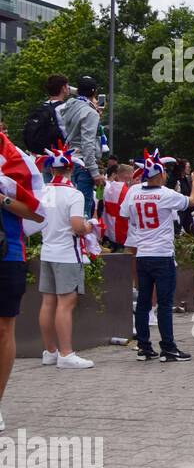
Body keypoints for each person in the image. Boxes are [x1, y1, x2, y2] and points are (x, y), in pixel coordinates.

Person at [123, 150, 194, 362]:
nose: (166, 174)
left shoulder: (133, 192)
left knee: (144, 302)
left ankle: (144, 346)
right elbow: (192, 201)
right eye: (164, 171)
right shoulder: (166, 194)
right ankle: (168, 347)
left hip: (142, 254)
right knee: (165, 303)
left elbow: (124, 214)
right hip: (162, 254)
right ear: (158, 174)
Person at [37, 143, 96, 370]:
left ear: (52, 170)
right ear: (70, 170)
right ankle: (66, 353)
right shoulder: (74, 194)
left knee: (48, 302)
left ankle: (50, 351)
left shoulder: (43, 191)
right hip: (67, 254)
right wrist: (90, 226)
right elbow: (77, 226)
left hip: (47, 251)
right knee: (66, 303)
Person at [0, 131, 44, 432]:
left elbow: (36, 213)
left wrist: (1, 197)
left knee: (3, 329)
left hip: (7, 255)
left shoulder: (16, 160)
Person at [56, 76, 103, 217]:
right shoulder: (90, 112)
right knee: (82, 212)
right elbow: (87, 143)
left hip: (70, 161)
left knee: (68, 210)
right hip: (84, 164)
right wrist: (95, 172)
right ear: (94, 93)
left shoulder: (69, 106)